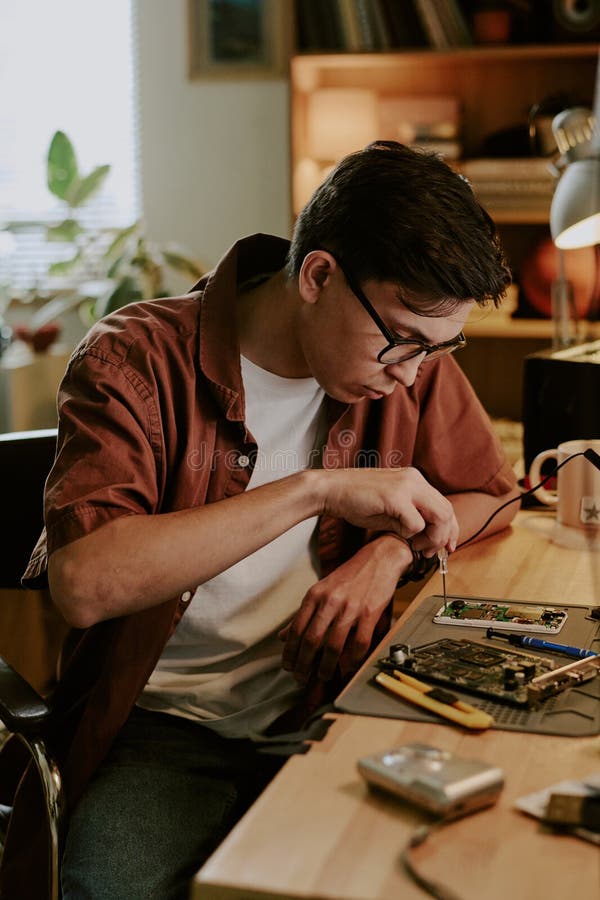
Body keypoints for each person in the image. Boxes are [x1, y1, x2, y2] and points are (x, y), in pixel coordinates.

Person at [13, 141, 518, 899]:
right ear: (318, 275)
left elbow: (490, 491)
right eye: (405, 341)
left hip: (336, 711)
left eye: (439, 350)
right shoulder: (132, 360)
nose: (412, 374)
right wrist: (317, 490)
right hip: (164, 730)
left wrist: (383, 556)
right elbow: (85, 582)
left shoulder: (405, 363)